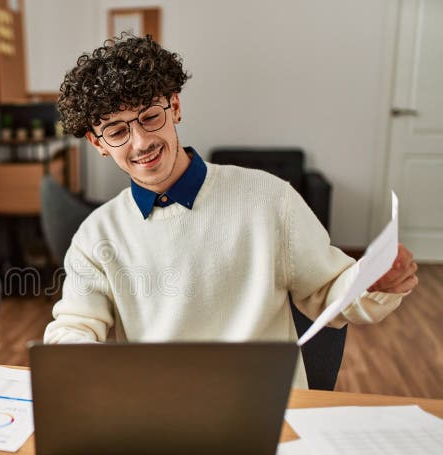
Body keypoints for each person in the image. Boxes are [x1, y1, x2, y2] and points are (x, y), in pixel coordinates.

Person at [44, 35, 418, 387]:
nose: (141, 142)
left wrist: (373, 284)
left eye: (149, 117)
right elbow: (74, 325)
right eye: (116, 130)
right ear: (98, 143)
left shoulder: (269, 198)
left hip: (267, 406)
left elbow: (327, 291)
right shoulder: (96, 235)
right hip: (159, 409)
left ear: (174, 107)